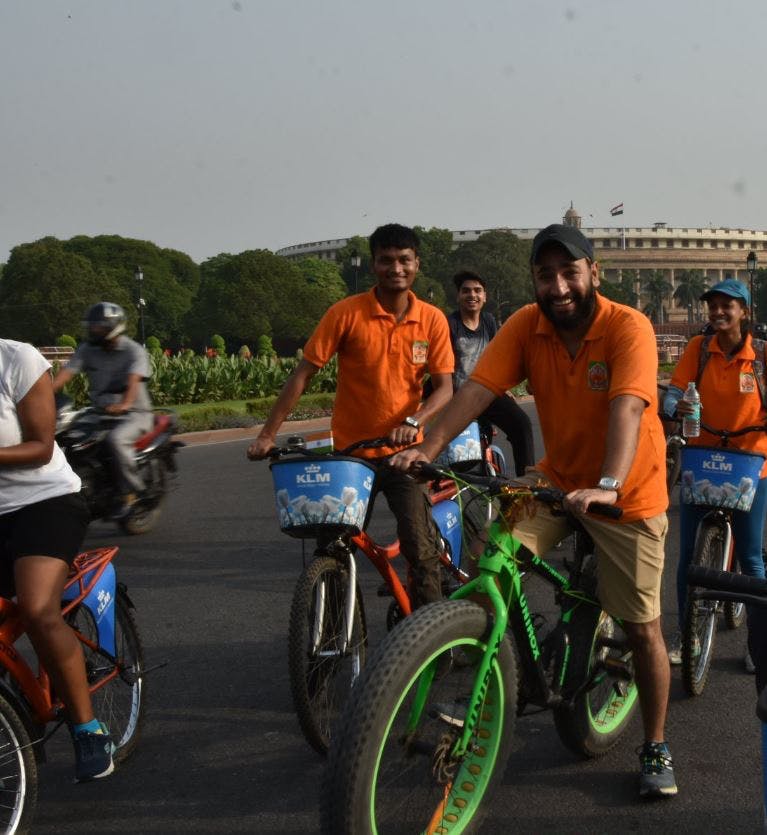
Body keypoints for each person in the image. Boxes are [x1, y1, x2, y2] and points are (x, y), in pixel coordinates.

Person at [391, 223, 677, 799]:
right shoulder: (527, 324)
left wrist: (607, 483)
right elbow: (475, 393)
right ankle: (498, 663)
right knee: (489, 560)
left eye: (570, 272)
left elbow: (627, 408)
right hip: (556, 481)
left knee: (643, 629)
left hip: (628, 493)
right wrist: (426, 448)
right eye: (546, 275)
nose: (559, 286)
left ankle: (655, 743)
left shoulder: (630, 327)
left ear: (595, 273)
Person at [247, 223, 454, 607]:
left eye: (404, 260)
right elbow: (303, 375)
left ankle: (433, 641)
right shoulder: (346, 313)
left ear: (416, 264)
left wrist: (414, 423)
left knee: (421, 549)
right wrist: (266, 435)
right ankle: (335, 633)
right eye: (386, 261)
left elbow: (444, 388)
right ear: (374, 265)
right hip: (351, 456)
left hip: (405, 456)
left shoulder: (432, 320)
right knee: (334, 547)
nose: (396, 268)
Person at [0, 337, 114, 781]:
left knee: (37, 608)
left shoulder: (17, 359)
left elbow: (41, 447)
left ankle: (88, 728)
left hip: (44, 501)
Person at [663, 278, 767, 673]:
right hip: (703, 458)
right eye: (714, 306)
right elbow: (675, 391)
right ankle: (686, 635)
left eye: (728, 305)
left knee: (752, 559)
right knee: (688, 556)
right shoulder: (697, 350)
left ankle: (760, 646)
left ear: (744, 312)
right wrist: (674, 407)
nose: (719, 312)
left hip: (750, 464)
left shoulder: (760, 356)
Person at [53, 302, 153, 519]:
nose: (93, 330)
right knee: (70, 439)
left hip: (134, 414)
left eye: (99, 326)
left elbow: (133, 383)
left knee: (116, 440)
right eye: (92, 326)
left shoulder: (133, 351)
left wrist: (124, 405)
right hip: (99, 412)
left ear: (113, 327)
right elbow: (66, 374)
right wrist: (40, 395)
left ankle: (132, 493)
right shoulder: (87, 349)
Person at [448, 270, 534, 476]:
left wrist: (505, 388)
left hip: (486, 392)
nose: (472, 295)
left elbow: (499, 358)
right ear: (458, 296)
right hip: (458, 396)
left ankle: (526, 480)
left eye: (478, 291)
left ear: (485, 296)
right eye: (466, 291)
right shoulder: (449, 325)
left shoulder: (488, 321)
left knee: (521, 425)